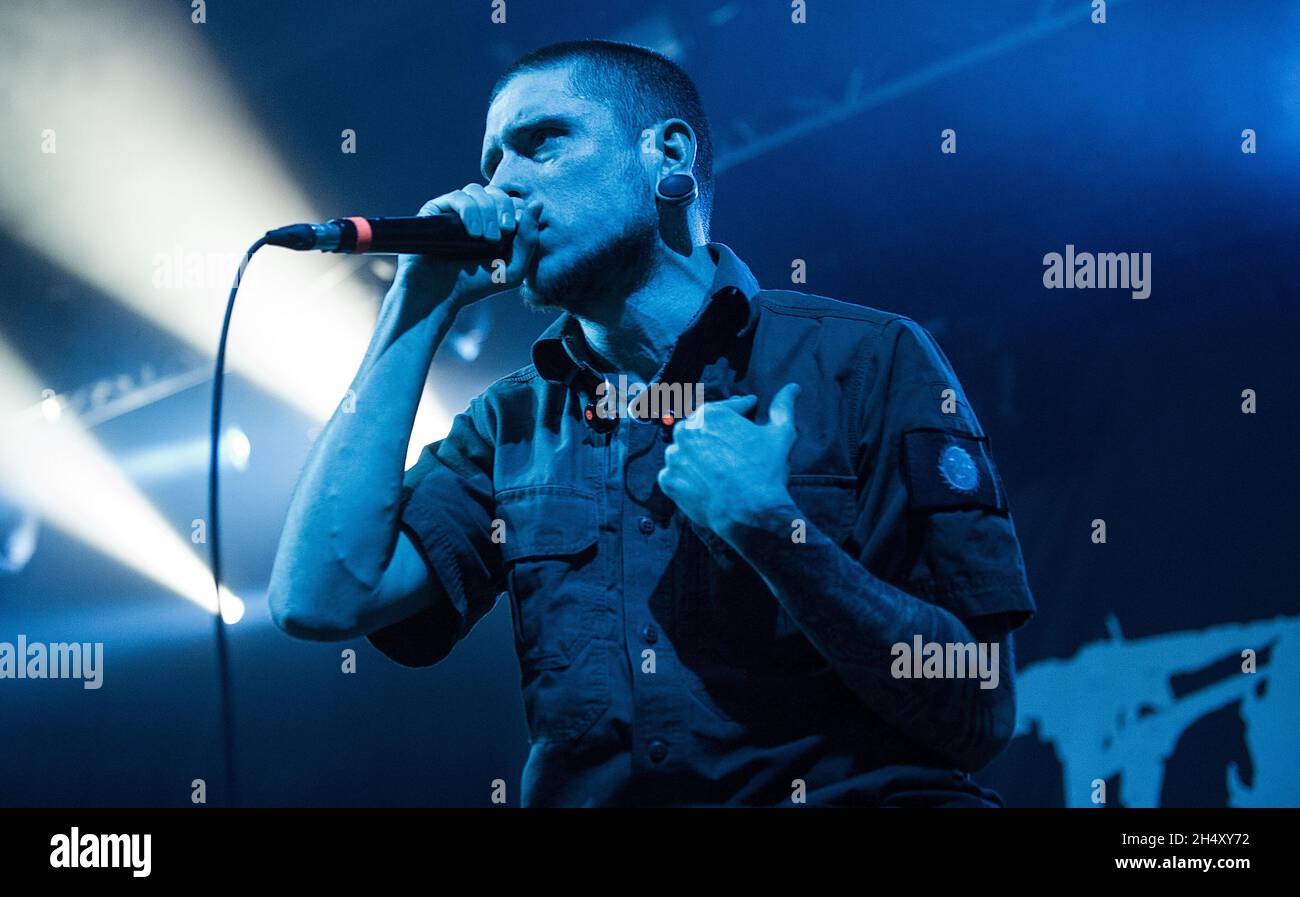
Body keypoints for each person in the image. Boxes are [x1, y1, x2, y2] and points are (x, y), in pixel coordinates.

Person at [267, 39, 1037, 807]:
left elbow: (980, 709)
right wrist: (417, 304)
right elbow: (321, 597)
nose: (501, 183)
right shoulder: (510, 424)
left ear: (667, 154)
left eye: (542, 141)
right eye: (494, 158)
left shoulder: (865, 360)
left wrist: (774, 534)